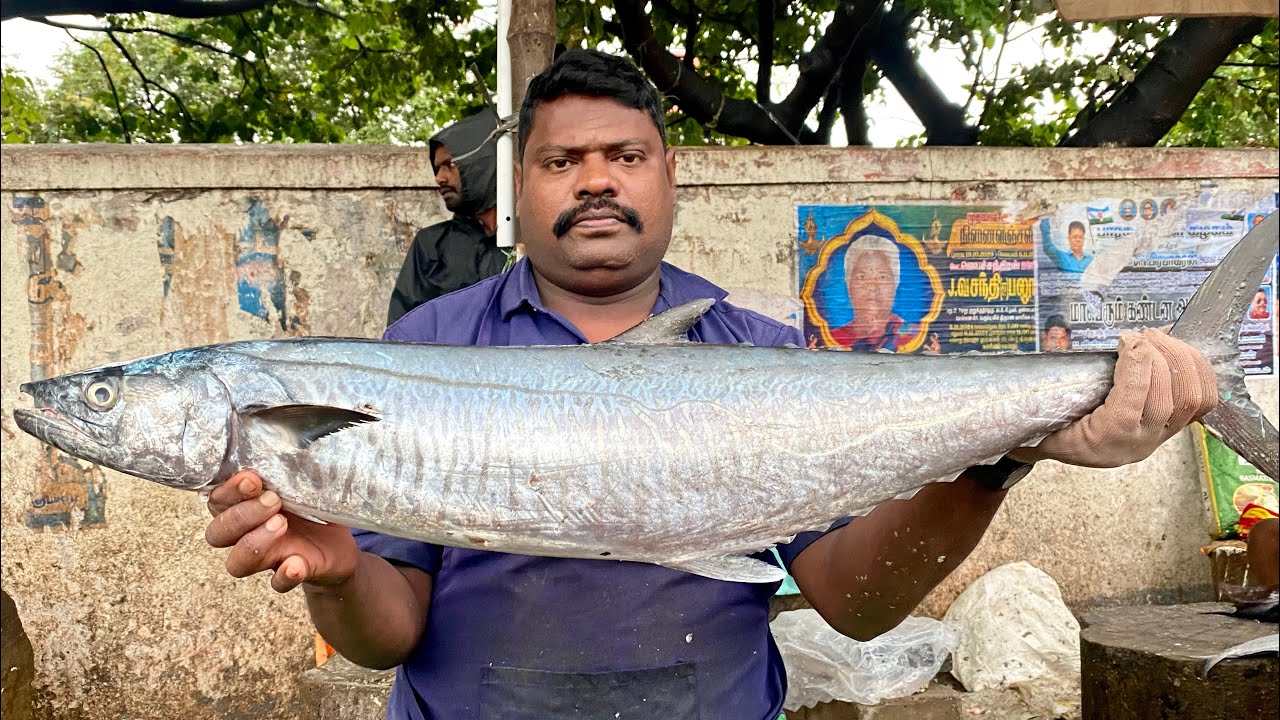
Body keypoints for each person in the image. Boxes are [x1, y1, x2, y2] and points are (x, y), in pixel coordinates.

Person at [201, 50, 1219, 720]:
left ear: (668, 173)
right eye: (562, 160)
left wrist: (996, 457)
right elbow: (390, 633)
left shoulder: (759, 348)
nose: (595, 178)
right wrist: (334, 573)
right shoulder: (430, 344)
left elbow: (852, 607)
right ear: (522, 187)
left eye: (623, 155)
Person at [387, 107, 508, 325]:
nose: (439, 178)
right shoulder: (431, 246)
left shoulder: (527, 242)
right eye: (437, 168)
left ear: (480, 164)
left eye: (449, 165)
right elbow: (402, 332)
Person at [829, 233, 919, 351]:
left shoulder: (913, 337)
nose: (872, 286)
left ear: (895, 284)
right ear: (848, 284)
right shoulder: (833, 340)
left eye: (882, 277)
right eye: (862, 277)